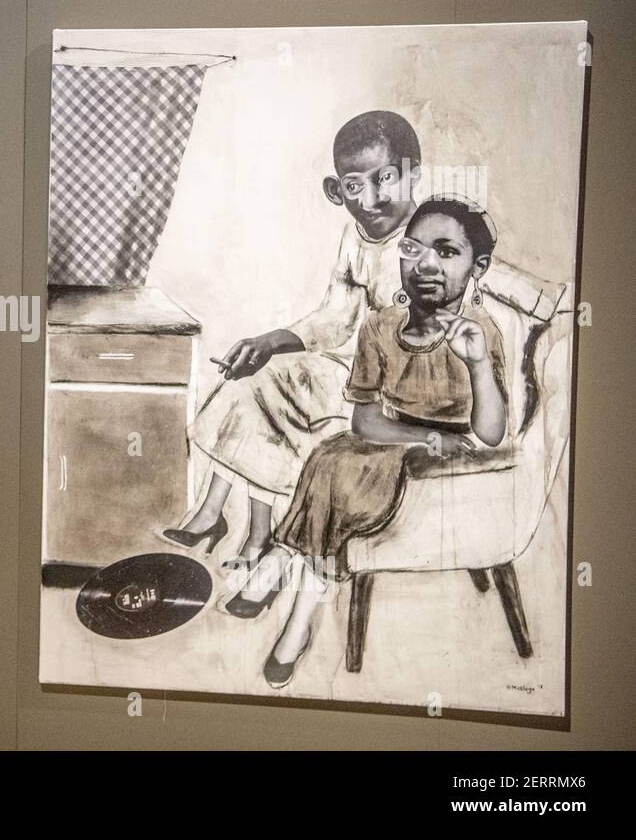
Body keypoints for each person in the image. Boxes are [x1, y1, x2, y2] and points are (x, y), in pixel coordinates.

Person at [225, 195, 507, 688]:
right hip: (394, 439)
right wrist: (419, 436)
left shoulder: (479, 333)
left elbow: (490, 433)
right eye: (413, 249)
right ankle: (285, 565)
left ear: (476, 267)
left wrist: (479, 364)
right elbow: (365, 422)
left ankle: (297, 611)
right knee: (327, 456)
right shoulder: (378, 328)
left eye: (446, 252)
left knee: (341, 471)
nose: (425, 265)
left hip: (441, 463)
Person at [162, 110, 421, 569]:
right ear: (336, 190)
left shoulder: (426, 241)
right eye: (356, 185)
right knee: (255, 376)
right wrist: (269, 341)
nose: (372, 199)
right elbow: (336, 319)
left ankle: (251, 533)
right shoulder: (354, 237)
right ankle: (217, 514)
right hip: (347, 368)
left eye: (385, 179)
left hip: (386, 392)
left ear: (411, 176)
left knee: (269, 393)